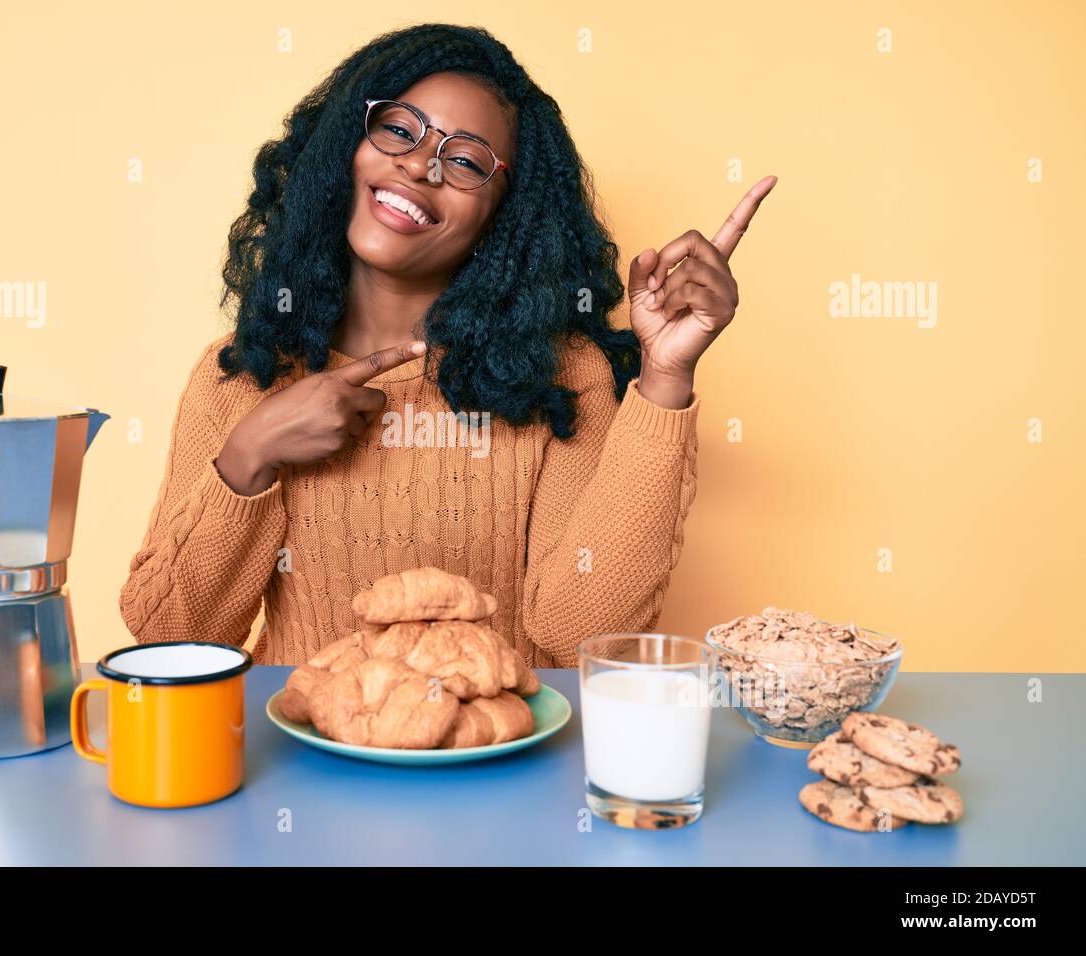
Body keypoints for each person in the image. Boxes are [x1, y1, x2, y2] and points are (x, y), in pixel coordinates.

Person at [119, 23, 775, 668]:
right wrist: (249, 454)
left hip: (501, 764)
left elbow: (585, 633)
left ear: (503, 213)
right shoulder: (242, 373)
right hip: (298, 767)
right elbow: (165, 642)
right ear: (346, 146)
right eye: (399, 129)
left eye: (464, 161)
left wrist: (665, 377)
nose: (419, 165)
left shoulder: (562, 379)